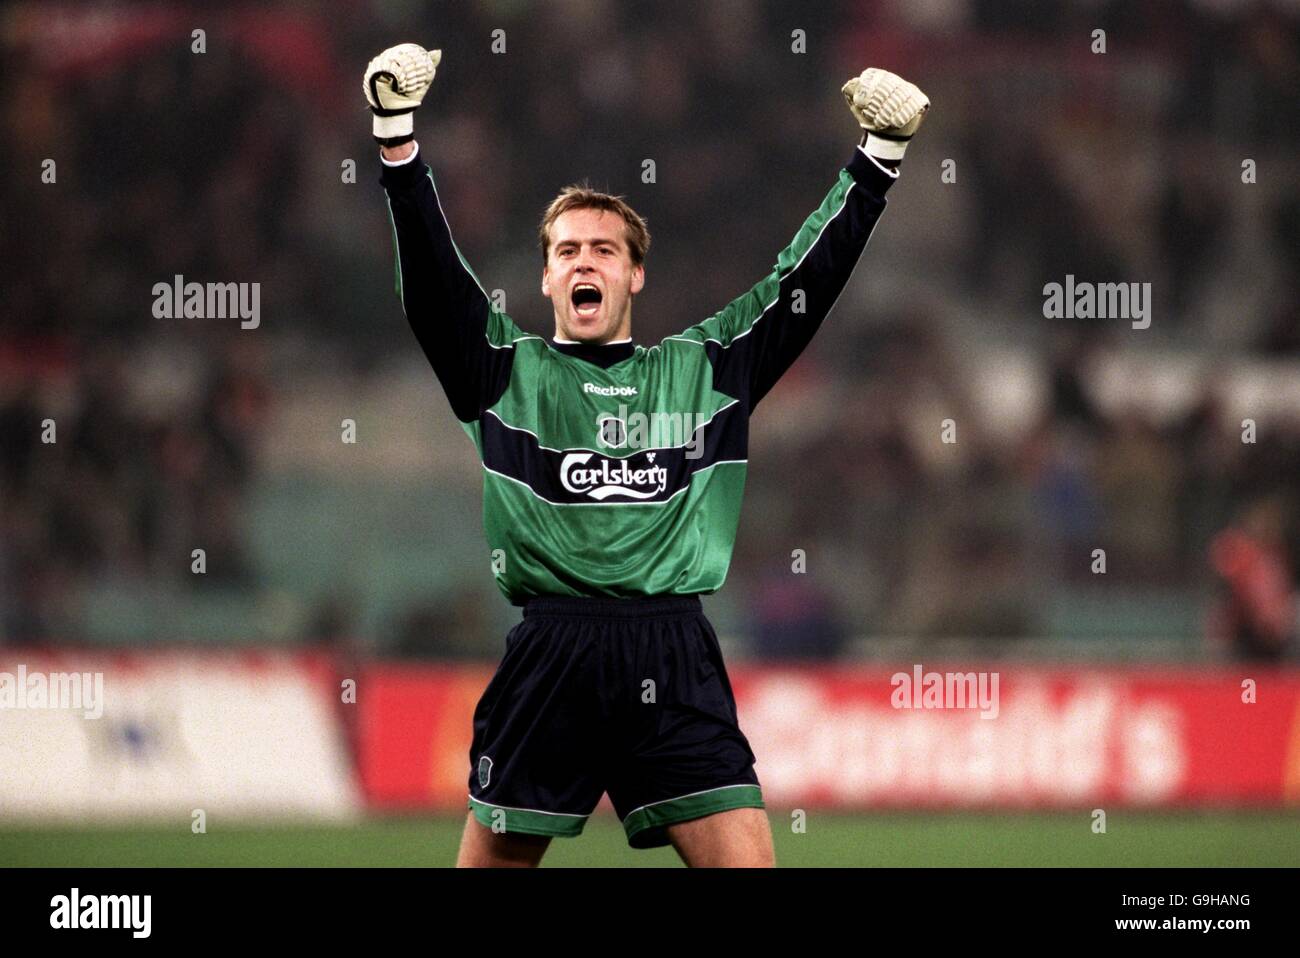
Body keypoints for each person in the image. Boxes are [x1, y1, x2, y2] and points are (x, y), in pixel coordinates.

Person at [365, 43, 929, 867]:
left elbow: (799, 287)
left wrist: (877, 161)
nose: (584, 261)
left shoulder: (704, 370)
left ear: (634, 276)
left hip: (674, 652)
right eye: (566, 251)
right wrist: (397, 142)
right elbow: (432, 280)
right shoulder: (503, 371)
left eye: (603, 250)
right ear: (549, 280)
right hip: (550, 656)